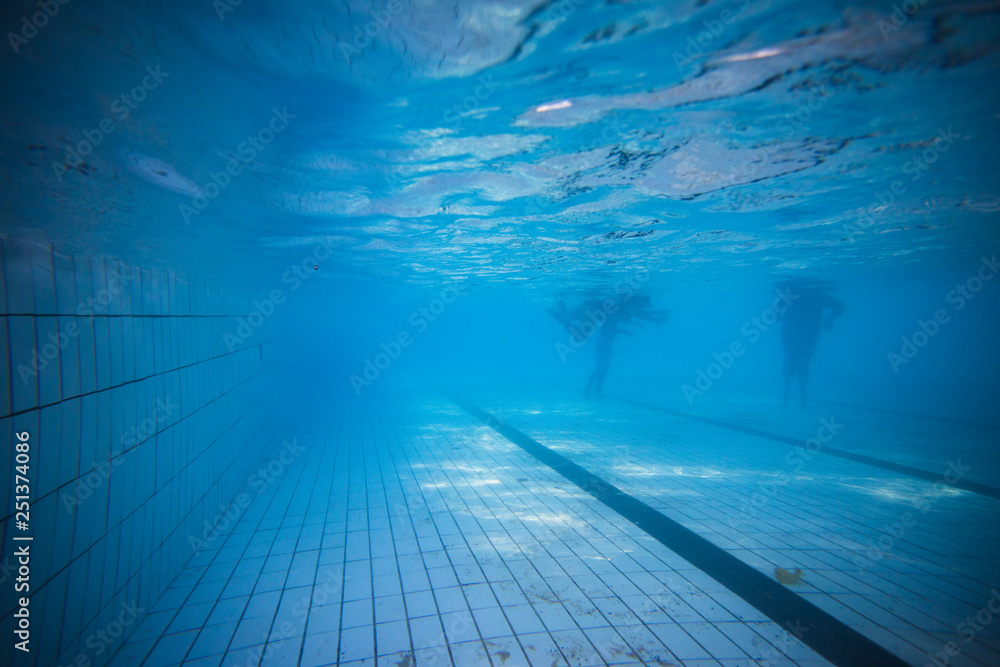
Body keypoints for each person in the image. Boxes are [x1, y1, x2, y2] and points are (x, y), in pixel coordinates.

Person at [552, 292, 668, 401]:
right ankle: (560, 301)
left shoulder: (625, 310)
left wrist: (656, 316)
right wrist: (655, 317)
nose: (647, 307)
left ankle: (596, 391)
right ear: (635, 303)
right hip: (591, 316)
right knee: (600, 365)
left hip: (605, 337)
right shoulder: (622, 309)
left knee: (604, 368)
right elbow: (638, 314)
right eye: (645, 304)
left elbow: (639, 314)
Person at [778, 281, 845, 408]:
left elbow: (775, 312)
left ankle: (789, 395)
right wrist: (830, 319)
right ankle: (799, 396)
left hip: (792, 334)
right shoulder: (818, 296)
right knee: (802, 362)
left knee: (792, 361)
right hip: (806, 334)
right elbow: (840, 307)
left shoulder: (795, 295)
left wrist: (783, 319)